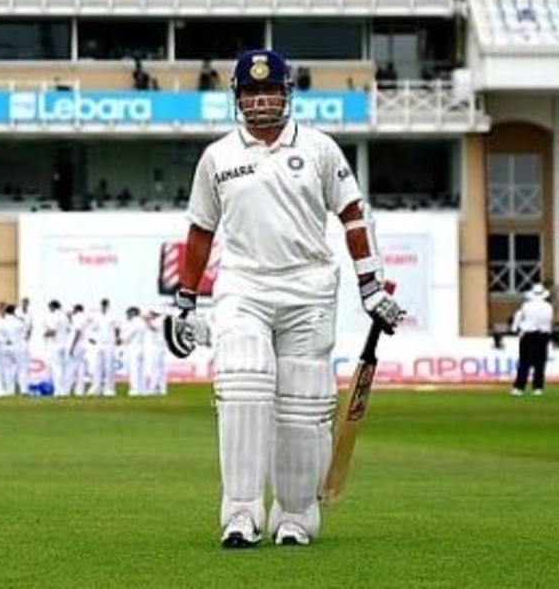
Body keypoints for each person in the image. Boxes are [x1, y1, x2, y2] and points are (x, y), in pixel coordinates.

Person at [163, 47, 405, 548]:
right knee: (244, 384)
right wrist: (185, 300)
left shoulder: (319, 148)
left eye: (269, 89)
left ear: (286, 94)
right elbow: (200, 232)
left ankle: (295, 517)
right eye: (251, 92)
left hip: (309, 290)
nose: (261, 100)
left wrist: (371, 286)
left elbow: (353, 214)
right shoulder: (218, 157)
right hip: (244, 287)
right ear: (237, 98)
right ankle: (241, 514)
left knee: (301, 407)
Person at [511, 284, 554, 396]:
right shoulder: (548, 307)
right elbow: (548, 322)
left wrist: (515, 329)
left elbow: (519, 317)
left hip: (528, 335)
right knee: (540, 362)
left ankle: (519, 387)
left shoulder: (526, 306)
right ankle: (538, 387)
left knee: (524, 362)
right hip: (543, 335)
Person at [0, 302, 27, 396]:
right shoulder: (20, 322)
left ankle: (10, 390)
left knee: (7, 369)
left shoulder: (1, 322)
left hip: (5, 347)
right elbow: (24, 334)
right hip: (18, 346)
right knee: (22, 369)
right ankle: (24, 389)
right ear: (14, 311)